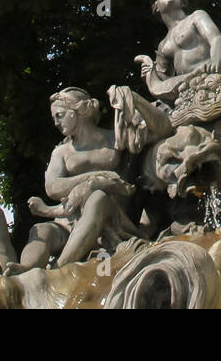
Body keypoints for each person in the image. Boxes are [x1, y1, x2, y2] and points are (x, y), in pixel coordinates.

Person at [8, 87, 138, 272]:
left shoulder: (114, 138)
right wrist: (93, 177)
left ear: (78, 110)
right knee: (41, 230)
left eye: (59, 115)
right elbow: (52, 187)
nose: (56, 123)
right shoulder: (61, 152)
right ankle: (27, 269)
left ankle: (58, 270)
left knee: (98, 197)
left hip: (110, 215)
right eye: (54, 118)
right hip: (68, 221)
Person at [134, 0, 221, 102]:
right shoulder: (163, 45)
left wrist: (216, 61)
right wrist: (149, 72)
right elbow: (163, 81)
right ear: (156, 6)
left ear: (183, 0)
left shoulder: (197, 17)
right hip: (186, 90)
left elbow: (216, 39)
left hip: (210, 79)